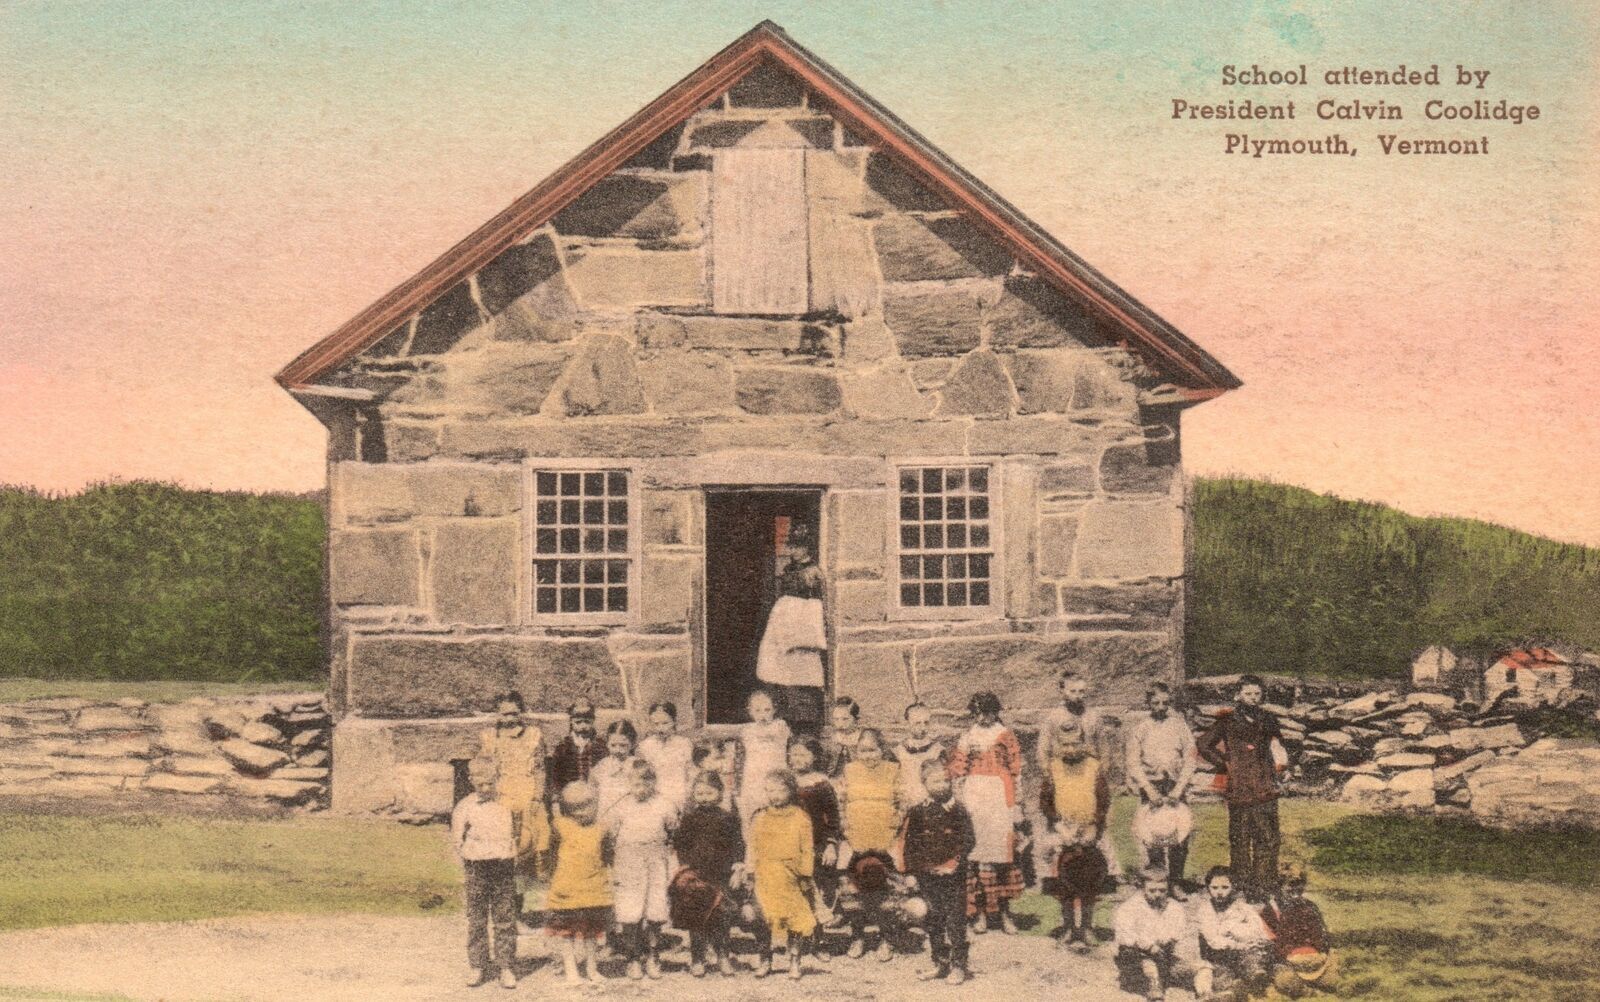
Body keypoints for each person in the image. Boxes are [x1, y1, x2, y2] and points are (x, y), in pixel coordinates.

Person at [1198, 675, 1287, 901]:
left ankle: (1264, 884)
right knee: (1240, 837)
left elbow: (1278, 746)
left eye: (1257, 694)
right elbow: (1203, 744)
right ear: (1238, 695)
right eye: (1248, 694)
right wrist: (1225, 763)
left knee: (1267, 837)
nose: (1253, 698)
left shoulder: (1268, 720)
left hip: (1265, 785)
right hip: (1239, 787)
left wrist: (1281, 769)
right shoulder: (1227, 721)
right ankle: (1241, 884)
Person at [948, 691, 1025, 935]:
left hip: (1000, 797)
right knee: (978, 856)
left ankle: (1004, 913)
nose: (983, 718)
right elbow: (958, 771)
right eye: (978, 713)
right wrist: (959, 801)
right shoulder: (968, 737)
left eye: (988, 713)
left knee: (1002, 856)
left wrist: (1016, 805)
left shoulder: (1005, 735)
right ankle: (980, 913)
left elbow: (1016, 771)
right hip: (975, 798)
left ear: (996, 712)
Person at [896, 758, 975, 985]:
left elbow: (968, 840)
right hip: (927, 877)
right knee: (933, 919)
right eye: (934, 781)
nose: (940, 785)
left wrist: (953, 863)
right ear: (924, 783)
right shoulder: (918, 812)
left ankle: (959, 965)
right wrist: (911, 873)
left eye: (945, 780)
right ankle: (940, 962)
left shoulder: (958, 810)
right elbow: (909, 845)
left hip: (953, 877)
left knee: (955, 921)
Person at [1039, 669, 1122, 882]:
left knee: (1098, 835)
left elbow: (1104, 748)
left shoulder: (1093, 717)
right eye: (1073, 691)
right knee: (1055, 842)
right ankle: (1057, 875)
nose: (1078, 695)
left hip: (1088, 773)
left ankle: (1107, 874)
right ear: (1062, 691)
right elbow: (1043, 750)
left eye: (1082, 691)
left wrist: (1099, 774)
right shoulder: (1054, 718)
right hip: (1063, 777)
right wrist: (1049, 773)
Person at [1039, 711, 1110, 951]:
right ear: (1058, 744)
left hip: (1088, 829)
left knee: (1089, 880)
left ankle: (1087, 927)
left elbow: (1103, 801)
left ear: (1084, 742)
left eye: (1075, 743)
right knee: (1065, 883)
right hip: (1064, 830)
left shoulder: (1094, 767)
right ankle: (1069, 927)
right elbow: (1045, 802)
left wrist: (1094, 826)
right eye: (1065, 744)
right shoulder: (1053, 768)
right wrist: (1058, 825)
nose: (1070, 749)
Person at [477, 692, 550, 922]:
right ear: (497, 714)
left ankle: (529, 910)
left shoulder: (534, 735)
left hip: (528, 796)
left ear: (522, 712)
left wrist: (537, 798)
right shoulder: (489, 737)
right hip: (502, 798)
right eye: (504, 713)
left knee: (531, 851)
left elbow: (539, 769)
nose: (509, 718)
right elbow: (485, 770)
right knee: (505, 855)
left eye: (514, 713)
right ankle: (507, 911)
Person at [451, 757, 519, 989]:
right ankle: (477, 965)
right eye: (481, 784)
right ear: (471, 781)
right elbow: (457, 839)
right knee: (477, 919)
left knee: (505, 918)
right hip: (477, 867)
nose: (487, 789)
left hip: (503, 866)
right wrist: (470, 857)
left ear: (497, 779)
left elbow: (517, 832)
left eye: (491, 783)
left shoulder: (507, 804)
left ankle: (506, 966)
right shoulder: (465, 806)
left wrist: (510, 852)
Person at [1125, 682, 1198, 897]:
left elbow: (1191, 757)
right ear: (1148, 703)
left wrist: (1179, 787)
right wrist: (1148, 788)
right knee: (1154, 834)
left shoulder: (1179, 725)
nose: (1161, 707)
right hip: (1152, 785)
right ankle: (1158, 881)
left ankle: (1176, 881)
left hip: (1175, 784)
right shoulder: (1141, 728)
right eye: (1156, 702)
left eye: (1165, 703)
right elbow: (1133, 761)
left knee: (1179, 834)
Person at [670, 771, 744, 978]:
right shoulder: (690, 818)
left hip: (721, 875)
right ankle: (697, 959)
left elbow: (738, 843)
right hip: (697, 875)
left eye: (709, 793)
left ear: (720, 793)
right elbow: (680, 844)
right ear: (693, 794)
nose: (704, 797)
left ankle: (722, 956)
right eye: (699, 793)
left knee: (721, 917)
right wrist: (686, 866)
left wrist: (737, 866)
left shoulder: (728, 818)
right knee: (697, 918)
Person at [745, 769, 818, 980]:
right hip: (766, 875)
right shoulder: (760, 817)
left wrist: (805, 875)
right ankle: (765, 959)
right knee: (763, 918)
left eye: (779, 790)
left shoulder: (800, 817)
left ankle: (794, 960)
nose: (774, 795)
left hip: (791, 878)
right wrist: (750, 872)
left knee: (794, 920)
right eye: (769, 790)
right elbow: (752, 846)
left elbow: (807, 849)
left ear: (791, 791)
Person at [839, 728, 903, 960]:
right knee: (853, 890)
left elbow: (900, 804)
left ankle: (887, 938)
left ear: (882, 749)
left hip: (884, 839)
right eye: (863, 751)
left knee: (885, 889)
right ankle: (857, 936)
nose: (868, 755)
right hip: (856, 838)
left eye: (873, 750)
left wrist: (890, 835)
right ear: (857, 752)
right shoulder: (849, 770)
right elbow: (841, 804)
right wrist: (848, 834)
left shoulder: (892, 770)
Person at [609, 762, 677, 980]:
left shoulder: (664, 804)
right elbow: (611, 835)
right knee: (631, 911)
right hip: (629, 861)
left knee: (655, 909)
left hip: (656, 861)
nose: (639, 790)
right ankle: (633, 958)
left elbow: (673, 831)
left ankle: (653, 956)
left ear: (653, 783)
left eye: (644, 784)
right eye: (634, 784)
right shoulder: (621, 805)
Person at [544, 781, 612, 986]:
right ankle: (571, 969)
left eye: (586, 806)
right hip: (567, 890)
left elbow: (608, 857)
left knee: (592, 933)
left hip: (593, 890)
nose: (580, 812)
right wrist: (549, 877)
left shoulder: (601, 829)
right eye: (574, 808)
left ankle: (592, 968)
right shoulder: (561, 827)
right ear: (566, 809)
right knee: (567, 933)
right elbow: (551, 856)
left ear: (596, 804)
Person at [756, 544, 828, 733]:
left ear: (808, 549)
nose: (792, 551)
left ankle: (804, 727)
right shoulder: (788, 571)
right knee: (779, 674)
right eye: (791, 547)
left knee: (803, 680)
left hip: (804, 618)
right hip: (784, 617)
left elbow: (817, 602)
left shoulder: (814, 572)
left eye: (797, 547)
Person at [1113, 867, 1211, 1001]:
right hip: (1137, 956)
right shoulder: (1129, 908)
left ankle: (1205, 994)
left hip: (1164, 956)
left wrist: (1166, 943)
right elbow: (1125, 937)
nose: (1158, 894)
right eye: (1152, 890)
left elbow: (1177, 934)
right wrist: (1149, 946)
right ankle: (1154, 990)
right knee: (1148, 967)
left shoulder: (1175, 908)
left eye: (1162, 890)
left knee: (1203, 968)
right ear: (1142, 889)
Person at [1195, 866, 1273, 997]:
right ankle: (1235, 987)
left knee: (1251, 960)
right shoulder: (1205, 910)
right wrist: (1236, 942)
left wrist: (1235, 931)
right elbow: (1213, 940)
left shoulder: (1242, 907)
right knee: (1221, 975)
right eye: (1214, 888)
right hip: (1216, 956)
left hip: (1242, 953)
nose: (1219, 892)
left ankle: (1255, 978)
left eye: (1225, 887)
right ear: (1208, 888)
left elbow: (1257, 929)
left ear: (1233, 887)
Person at [1262, 867, 1339, 997]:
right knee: (1286, 980)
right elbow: (1271, 942)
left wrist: (1321, 953)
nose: (1296, 889)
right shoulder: (1270, 911)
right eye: (1291, 885)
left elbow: (1321, 933)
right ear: (1280, 886)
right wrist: (1289, 957)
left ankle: (1317, 982)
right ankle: (1309, 993)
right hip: (1287, 961)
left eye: (1300, 884)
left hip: (1313, 959)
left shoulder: (1310, 906)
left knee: (1332, 981)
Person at [738, 689, 792, 835]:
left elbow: (773, 734)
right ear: (750, 711)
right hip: (753, 776)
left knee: (775, 806)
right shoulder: (748, 730)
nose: (762, 715)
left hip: (774, 772)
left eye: (767, 710)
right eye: (757, 710)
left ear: (774, 709)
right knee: (752, 810)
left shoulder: (780, 726)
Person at [637, 701, 696, 814]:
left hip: (679, 794)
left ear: (673, 722)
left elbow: (691, 772)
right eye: (656, 724)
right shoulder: (645, 746)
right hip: (655, 795)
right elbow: (641, 775)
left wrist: (689, 795)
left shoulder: (684, 744)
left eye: (665, 723)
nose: (660, 728)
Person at [892, 702, 946, 808]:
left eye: (926, 723)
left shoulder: (938, 750)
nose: (923, 727)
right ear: (907, 723)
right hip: (906, 803)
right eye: (917, 723)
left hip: (931, 805)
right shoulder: (897, 752)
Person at [548, 699, 607, 795]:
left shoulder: (600, 745)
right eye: (578, 722)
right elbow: (555, 775)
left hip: (594, 793)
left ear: (593, 721)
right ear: (571, 721)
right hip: (569, 794)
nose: (583, 726)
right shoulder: (563, 746)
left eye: (587, 722)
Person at [591, 720, 640, 820]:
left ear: (633, 744)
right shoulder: (602, 765)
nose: (617, 750)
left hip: (630, 813)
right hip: (606, 812)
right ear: (607, 744)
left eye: (623, 745)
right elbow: (593, 789)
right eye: (613, 745)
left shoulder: (637, 765)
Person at [824, 697, 863, 779]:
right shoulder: (830, 740)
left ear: (856, 719)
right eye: (836, 719)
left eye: (845, 719)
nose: (840, 724)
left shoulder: (864, 739)